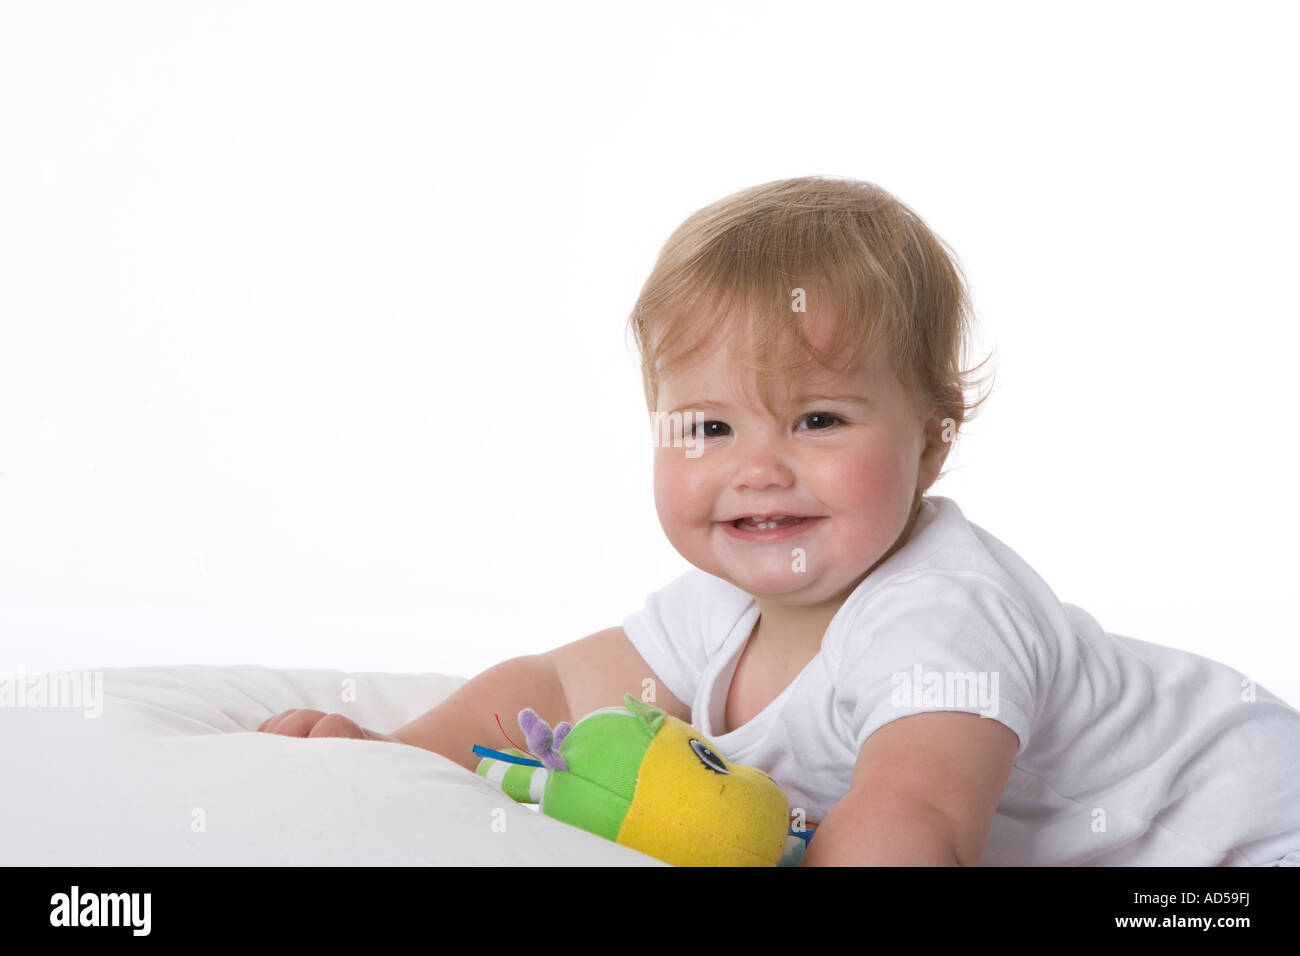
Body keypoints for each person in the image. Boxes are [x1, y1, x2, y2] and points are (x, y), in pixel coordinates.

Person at [259, 176, 1300, 866]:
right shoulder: (720, 604)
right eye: (707, 424)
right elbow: (560, 686)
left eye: (816, 418)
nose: (757, 467)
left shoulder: (939, 616)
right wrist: (399, 758)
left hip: (1231, 837)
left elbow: (916, 818)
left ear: (931, 440)